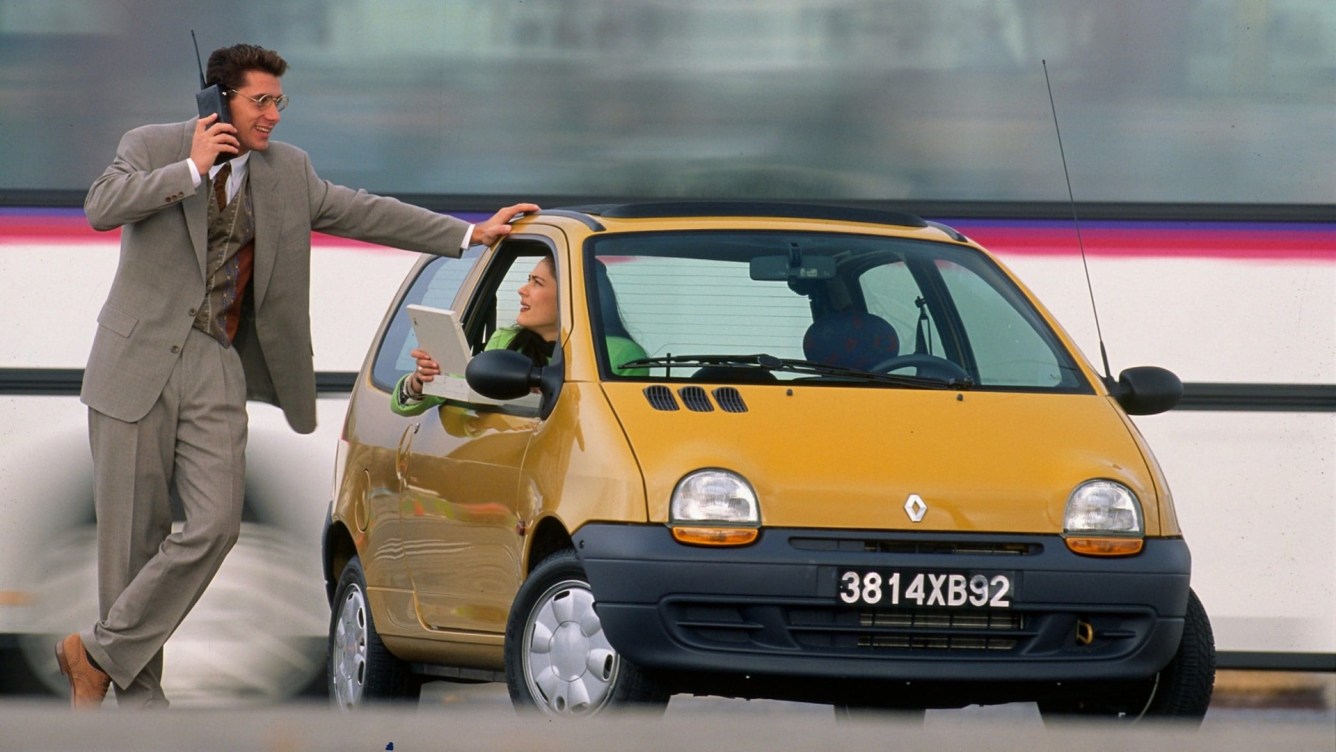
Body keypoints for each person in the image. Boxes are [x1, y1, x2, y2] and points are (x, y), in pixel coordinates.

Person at [58, 42, 538, 710]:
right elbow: (102, 206)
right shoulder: (150, 145)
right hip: (133, 362)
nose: (274, 115)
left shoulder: (289, 172)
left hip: (214, 360)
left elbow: (363, 209)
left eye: (279, 101)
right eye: (261, 101)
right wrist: (191, 169)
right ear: (220, 101)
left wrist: (467, 235)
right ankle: (139, 709)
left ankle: (98, 653)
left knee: (217, 523)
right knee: (131, 545)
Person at [393, 255, 646, 416]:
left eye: (537, 282)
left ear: (570, 296)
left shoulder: (621, 354)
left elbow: (611, 425)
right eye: (528, 280)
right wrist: (421, 381)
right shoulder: (505, 340)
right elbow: (466, 391)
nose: (522, 290)